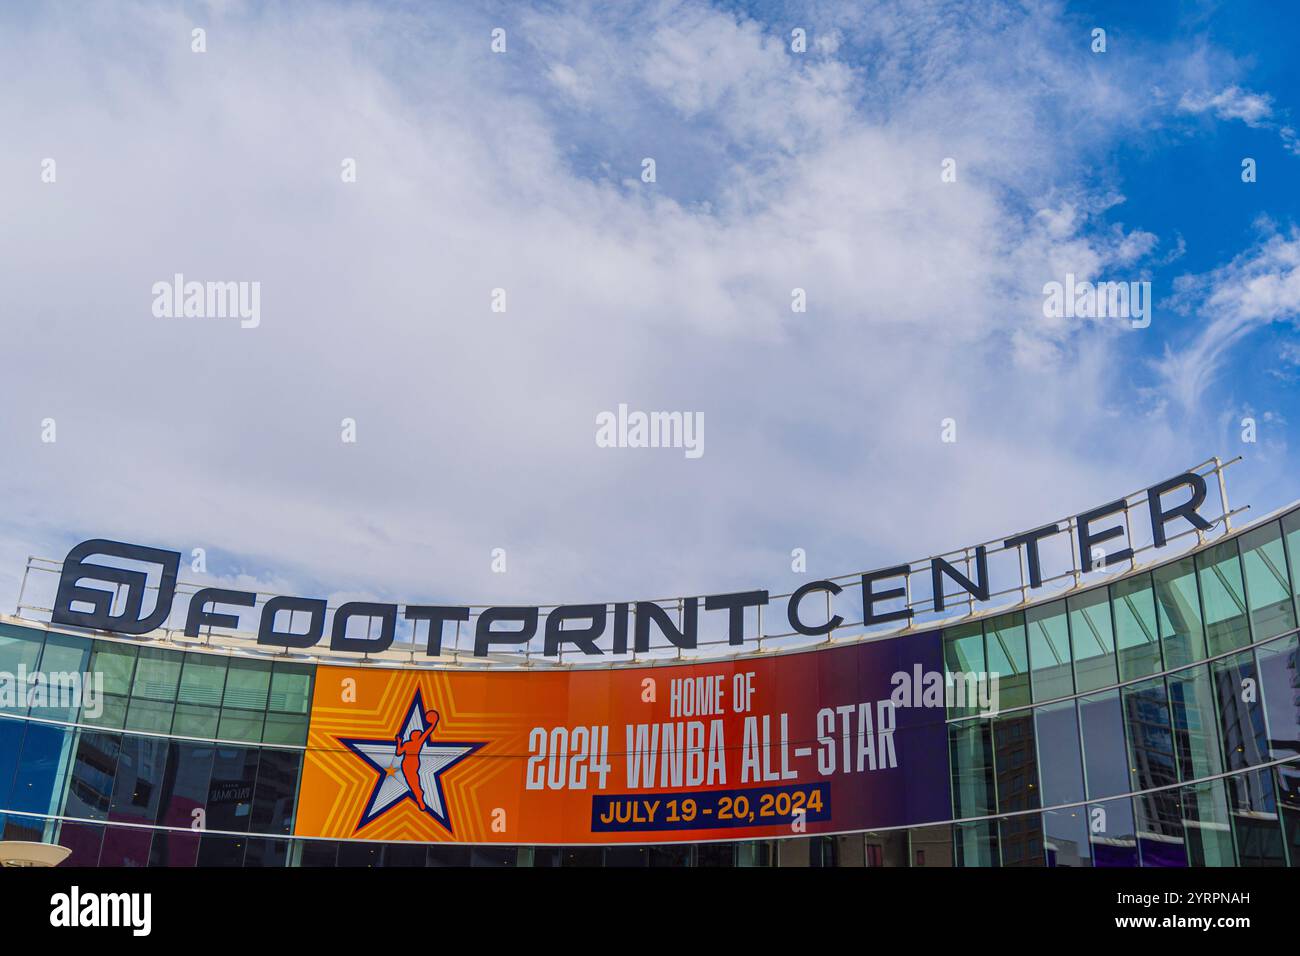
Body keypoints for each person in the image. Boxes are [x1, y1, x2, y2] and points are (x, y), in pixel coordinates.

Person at [395, 710, 440, 811]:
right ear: (414, 736)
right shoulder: (410, 744)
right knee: (413, 782)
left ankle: (419, 794)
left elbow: (427, 733)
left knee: (414, 781)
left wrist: (434, 723)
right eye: (418, 734)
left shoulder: (416, 743)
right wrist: (399, 742)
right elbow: (398, 753)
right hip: (407, 765)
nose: (419, 735)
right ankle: (419, 797)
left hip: (412, 765)